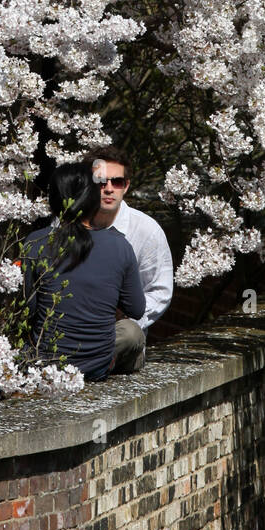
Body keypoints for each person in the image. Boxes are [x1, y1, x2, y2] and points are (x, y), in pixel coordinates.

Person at [21, 161, 145, 381]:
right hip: (97, 366)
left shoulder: (35, 242)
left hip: (45, 363)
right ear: (91, 198)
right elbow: (136, 309)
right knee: (132, 332)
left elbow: (28, 309)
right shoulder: (119, 245)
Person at [89, 144, 174, 374]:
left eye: (116, 182)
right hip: (77, 323)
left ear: (126, 186)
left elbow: (160, 291)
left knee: (129, 333)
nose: (108, 189)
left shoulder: (147, 231)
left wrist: (128, 314)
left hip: (119, 333)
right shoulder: (68, 224)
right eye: (100, 182)